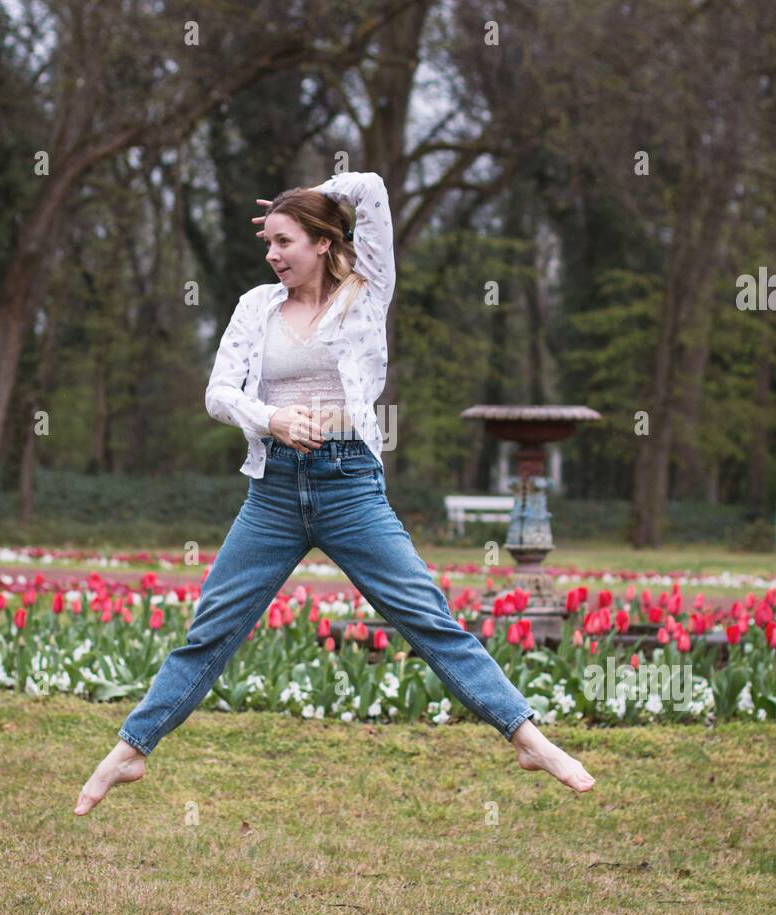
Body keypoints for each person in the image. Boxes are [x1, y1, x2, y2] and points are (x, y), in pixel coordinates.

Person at [75, 170, 594, 814]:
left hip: (350, 487)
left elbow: (372, 188)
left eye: (284, 240)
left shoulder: (366, 293)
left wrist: (315, 192)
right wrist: (273, 420)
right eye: (267, 243)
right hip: (274, 492)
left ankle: (528, 737)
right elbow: (218, 393)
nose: (272, 254)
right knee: (212, 628)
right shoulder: (255, 307)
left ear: (322, 242)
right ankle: (131, 750)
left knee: (427, 617)